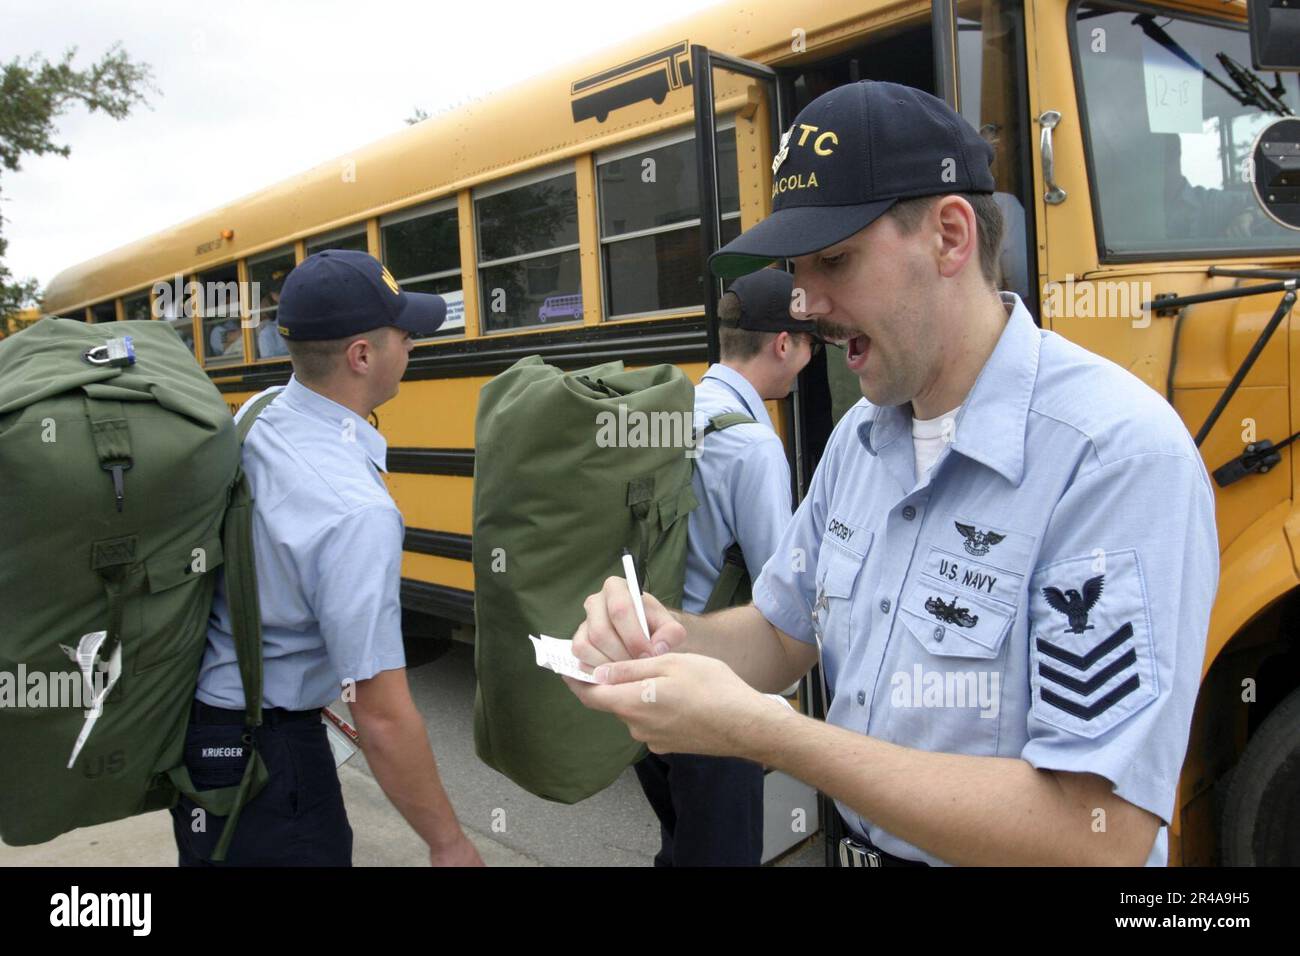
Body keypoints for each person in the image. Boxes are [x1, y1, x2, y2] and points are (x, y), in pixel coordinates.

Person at [566, 80, 1218, 867]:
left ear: (950, 236)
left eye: (834, 260)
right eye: (798, 270)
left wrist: (768, 732)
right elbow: (781, 629)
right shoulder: (860, 441)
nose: (805, 304)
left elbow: (1095, 833)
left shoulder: (1113, 456)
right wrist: (671, 635)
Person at [171, 249, 482, 867]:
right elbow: (383, 716)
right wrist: (449, 844)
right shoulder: (354, 509)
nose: (413, 343)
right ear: (362, 355)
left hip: (206, 738)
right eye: (404, 332)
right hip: (271, 756)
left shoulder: (260, 412)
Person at [634, 267, 817, 866]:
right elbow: (781, 587)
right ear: (784, 345)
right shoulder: (754, 446)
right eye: (811, 343)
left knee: (681, 843)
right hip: (713, 690)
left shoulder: (672, 410)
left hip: (647, 662)